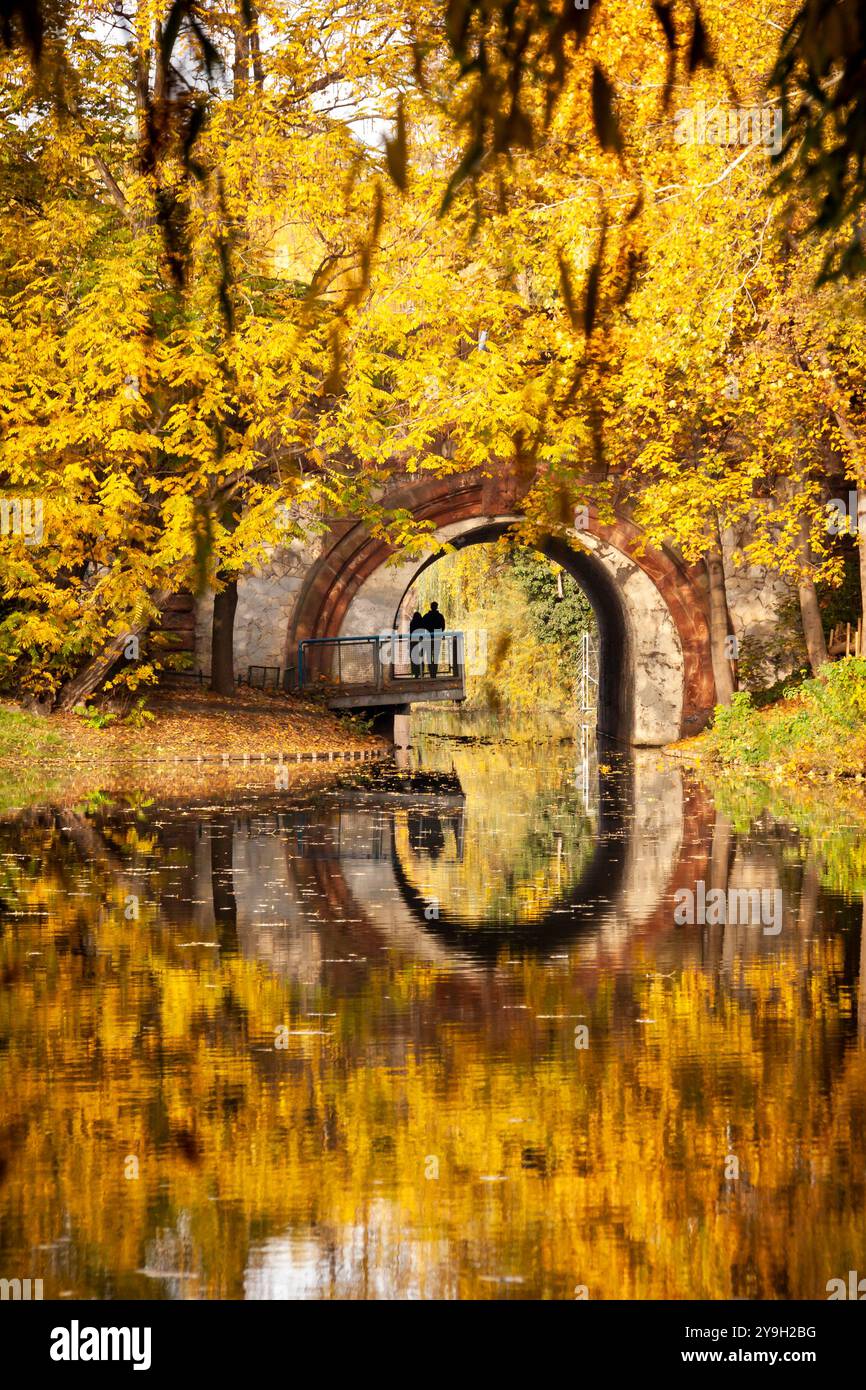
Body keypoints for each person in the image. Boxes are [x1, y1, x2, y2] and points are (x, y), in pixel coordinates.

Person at [423, 601, 446, 677]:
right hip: (437, 638)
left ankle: (431, 673)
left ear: (430, 607)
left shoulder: (426, 616)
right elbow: (443, 627)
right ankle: (434, 673)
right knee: (436, 656)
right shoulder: (440, 616)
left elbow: (423, 626)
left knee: (429, 656)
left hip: (428, 638)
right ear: (437, 607)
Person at [408, 610, 426, 678]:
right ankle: (421, 672)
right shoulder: (422, 622)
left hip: (413, 642)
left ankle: (415, 673)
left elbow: (411, 633)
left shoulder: (412, 622)